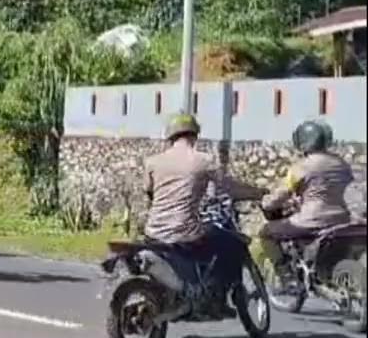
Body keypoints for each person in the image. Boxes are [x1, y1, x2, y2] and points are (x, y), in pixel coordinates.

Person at [141, 113, 267, 313]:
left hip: (152, 232)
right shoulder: (204, 160)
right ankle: (217, 297)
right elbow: (229, 188)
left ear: (170, 136)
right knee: (233, 243)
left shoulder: (153, 162)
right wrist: (258, 193)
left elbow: (149, 191)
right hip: (185, 234)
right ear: (195, 135)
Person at [257, 119, 355, 287]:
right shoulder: (342, 164)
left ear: (303, 142)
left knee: (266, 232)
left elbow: (283, 193)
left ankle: (286, 276)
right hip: (342, 218)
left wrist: (267, 202)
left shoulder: (303, 167)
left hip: (313, 220)